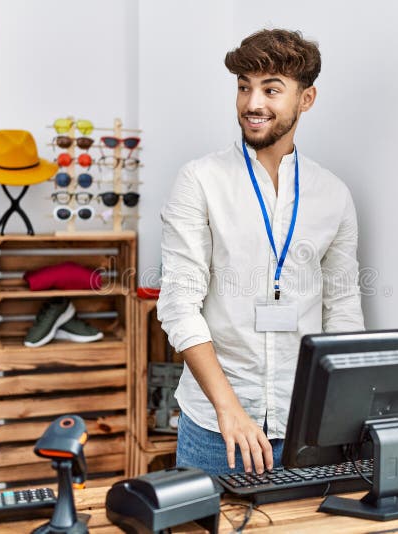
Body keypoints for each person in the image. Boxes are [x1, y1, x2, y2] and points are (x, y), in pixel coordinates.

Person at [158, 29, 364, 476]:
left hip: (307, 426)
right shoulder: (199, 180)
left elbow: (343, 309)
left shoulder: (334, 194)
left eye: (271, 89)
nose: (253, 103)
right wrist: (229, 408)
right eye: (244, 87)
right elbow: (178, 305)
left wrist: (343, 414)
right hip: (217, 429)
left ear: (306, 99)